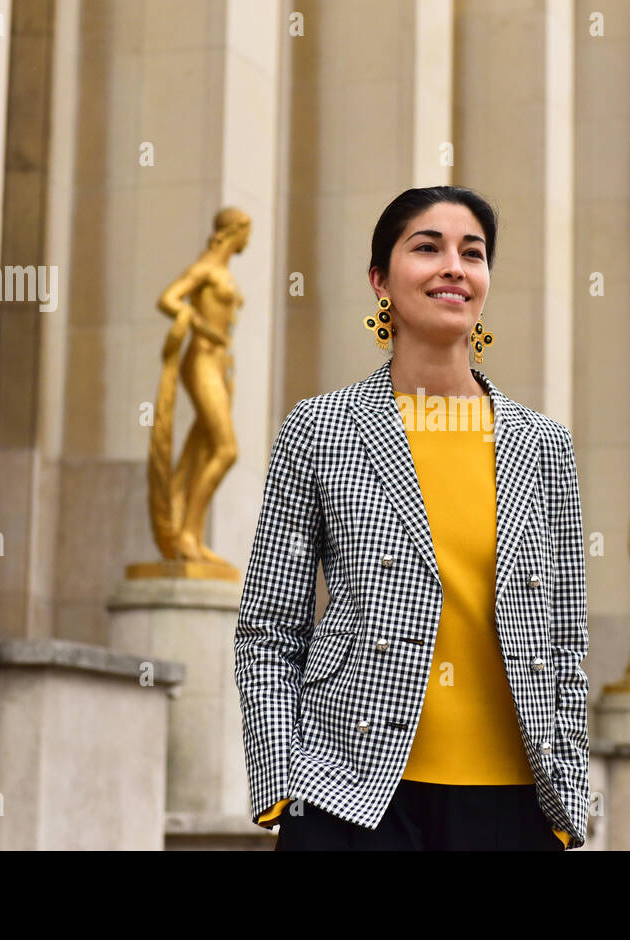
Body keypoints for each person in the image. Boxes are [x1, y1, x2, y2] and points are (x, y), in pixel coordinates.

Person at [234, 186, 590, 850]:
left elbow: (566, 641)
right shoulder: (319, 429)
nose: (453, 266)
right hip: (349, 798)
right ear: (380, 279)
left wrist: (566, 804)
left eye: (473, 253)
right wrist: (281, 787)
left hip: (512, 808)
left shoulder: (544, 446)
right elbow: (268, 630)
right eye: (427, 247)